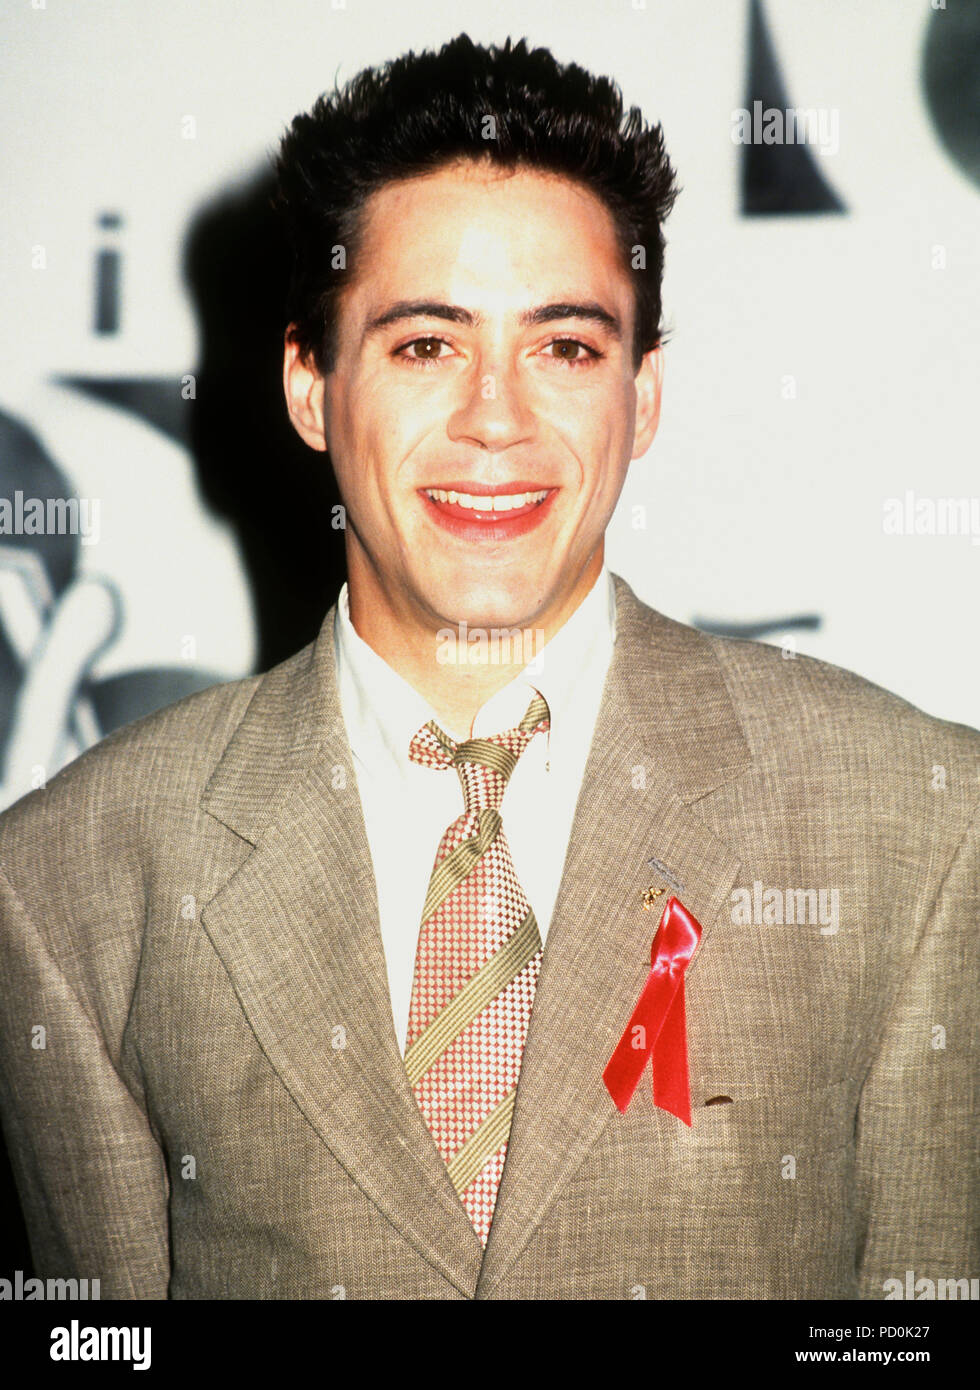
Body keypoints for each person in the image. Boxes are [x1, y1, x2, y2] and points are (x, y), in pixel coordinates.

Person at [0, 34, 976, 1301]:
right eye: (426, 345)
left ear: (642, 393)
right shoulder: (71, 877)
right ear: (309, 383)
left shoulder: (914, 823)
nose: (496, 420)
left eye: (564, 347)